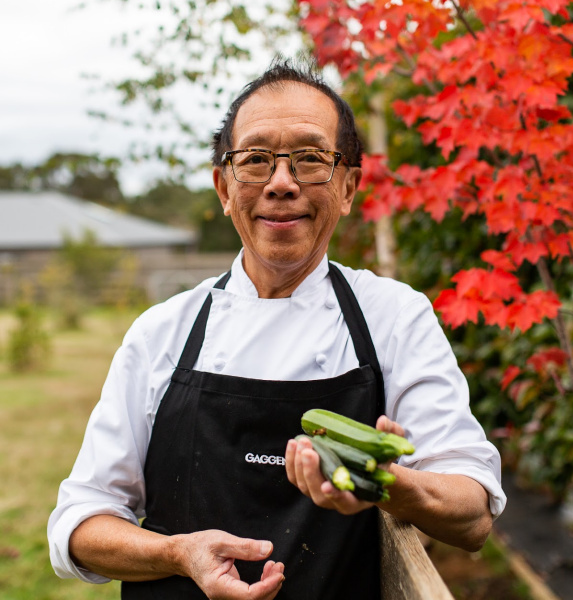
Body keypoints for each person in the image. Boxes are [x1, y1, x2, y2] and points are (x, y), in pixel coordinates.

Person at [47, 58, 506, 600]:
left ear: (349, 186)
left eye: (310, 159)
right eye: (256, 160)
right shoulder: (160, 334)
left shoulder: (394, 318)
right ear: (223, 187)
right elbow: (77, 526)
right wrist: (177, 553)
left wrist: (389, 483)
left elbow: (473, 512)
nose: (281, 183)